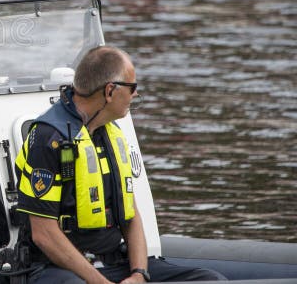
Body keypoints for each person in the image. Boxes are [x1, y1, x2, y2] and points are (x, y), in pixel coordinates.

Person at [14, 46, 226, 283]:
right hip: (58, 270)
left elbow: (130, 213)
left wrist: (139, 274)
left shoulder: (110, 133)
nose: (135, 94)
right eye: (132, 87)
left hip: (114, 262)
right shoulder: (48, 138)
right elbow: (44, 234)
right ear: (110, 91)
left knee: (210, 279)